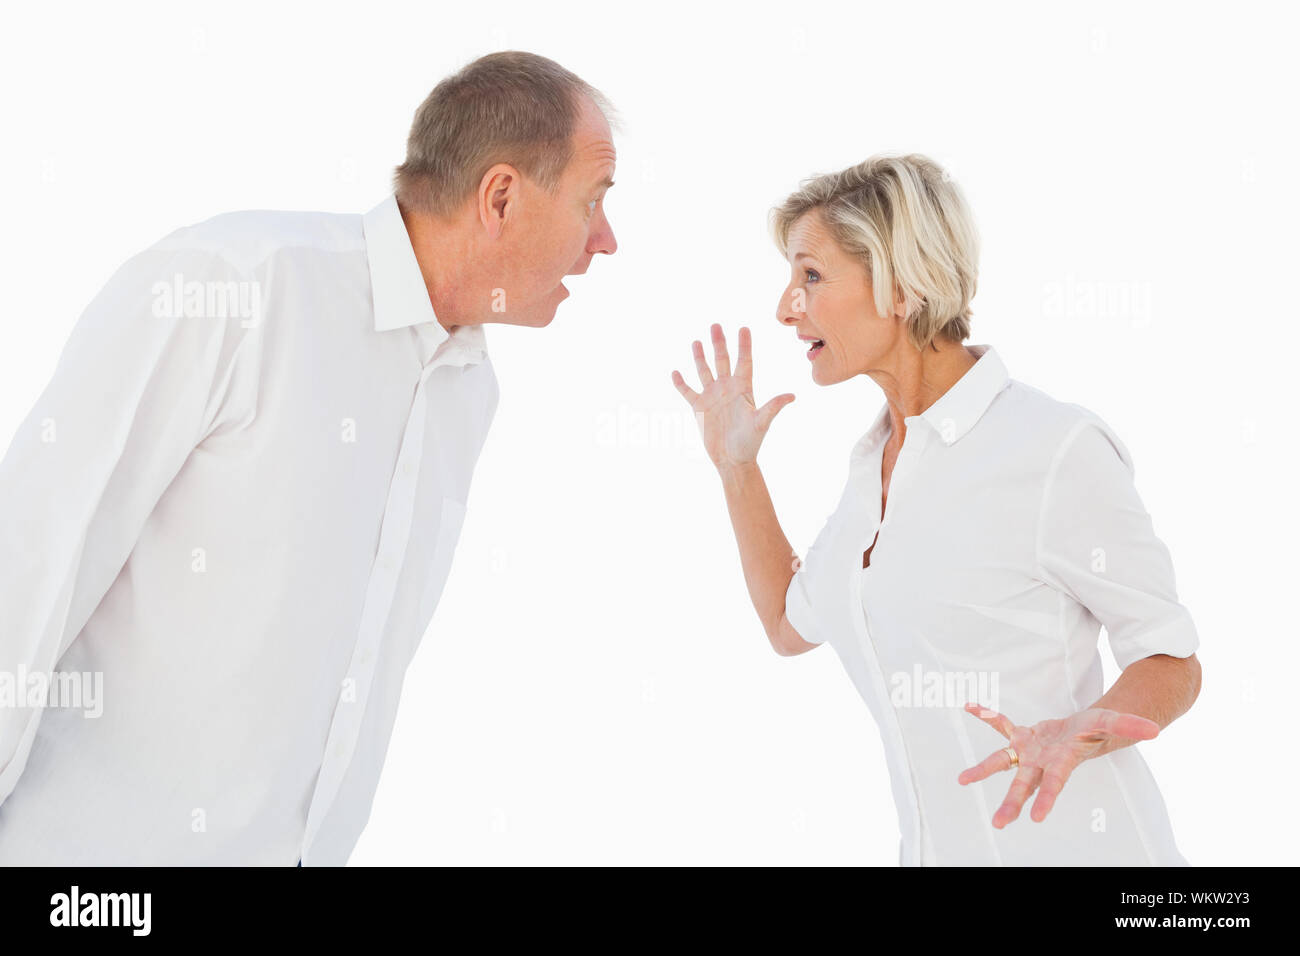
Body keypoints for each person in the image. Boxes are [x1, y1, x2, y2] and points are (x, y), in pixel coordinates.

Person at [0, 50, 617, 865]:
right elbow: (33, 558)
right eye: (594, 202)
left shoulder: (469, 389)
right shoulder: (235, 288)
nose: (605, 242)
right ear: (501, 195)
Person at [671, 153, 1201, 865]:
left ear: (902, 285)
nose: (785, 306)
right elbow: (788, 625)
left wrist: (1084, 727)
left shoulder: (1051, 447)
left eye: (812, 276)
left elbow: (1172, 657)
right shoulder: (872, 468)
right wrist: (738, 470)